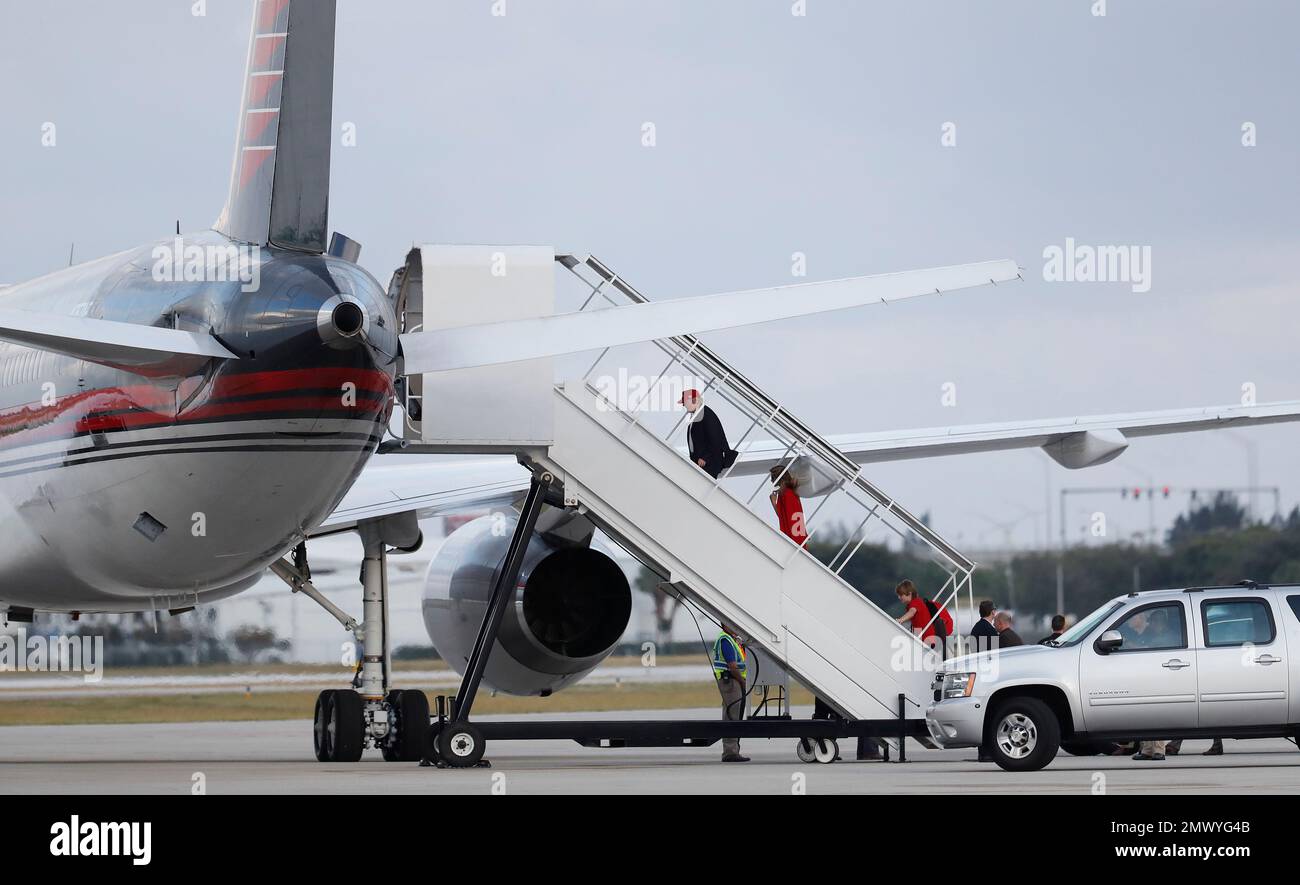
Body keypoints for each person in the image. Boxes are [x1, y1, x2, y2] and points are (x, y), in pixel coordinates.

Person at [712, 623, 749, 763]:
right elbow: (732, 666)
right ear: (724, 625)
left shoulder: (731, 639)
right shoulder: (725, 640)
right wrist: (742, 681)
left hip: (734, 680)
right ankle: (730, 752)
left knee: (733, 713)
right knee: (732, 715)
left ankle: (733, 750)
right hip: (731, 681)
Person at [680, 389, 738, 479]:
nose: (684, 405)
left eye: (685, 402)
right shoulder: (698, 414)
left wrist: (705, 458)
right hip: (700, 463)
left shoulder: (706, 415)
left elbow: (715, 439)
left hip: (708, 464)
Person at [769, 465, 807, 546]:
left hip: (794, 537)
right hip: (797, 536)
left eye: (773, 477)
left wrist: (773, 502)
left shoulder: (787, 494)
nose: (771, 480)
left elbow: (786, 517)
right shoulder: (788, 493)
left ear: (780, 479)